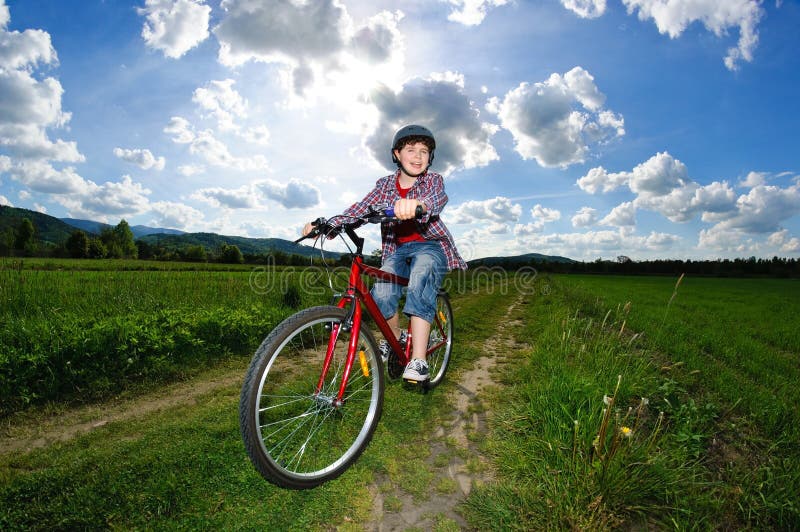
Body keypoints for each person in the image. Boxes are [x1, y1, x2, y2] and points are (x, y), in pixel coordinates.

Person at [303, 125, 467, 382]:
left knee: (420, 280)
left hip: (430, 246)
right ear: (397, 154)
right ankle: (396, 339)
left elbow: (436, 199)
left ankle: (419, 359)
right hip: (397, 249)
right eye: (410, 149)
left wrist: (418, 205)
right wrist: (327, 224)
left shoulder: (432, 180)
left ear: (430, 158)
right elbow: (359, 208)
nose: (418, 156)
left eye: (424, 151)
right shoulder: (384, 185)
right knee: (381, 291)